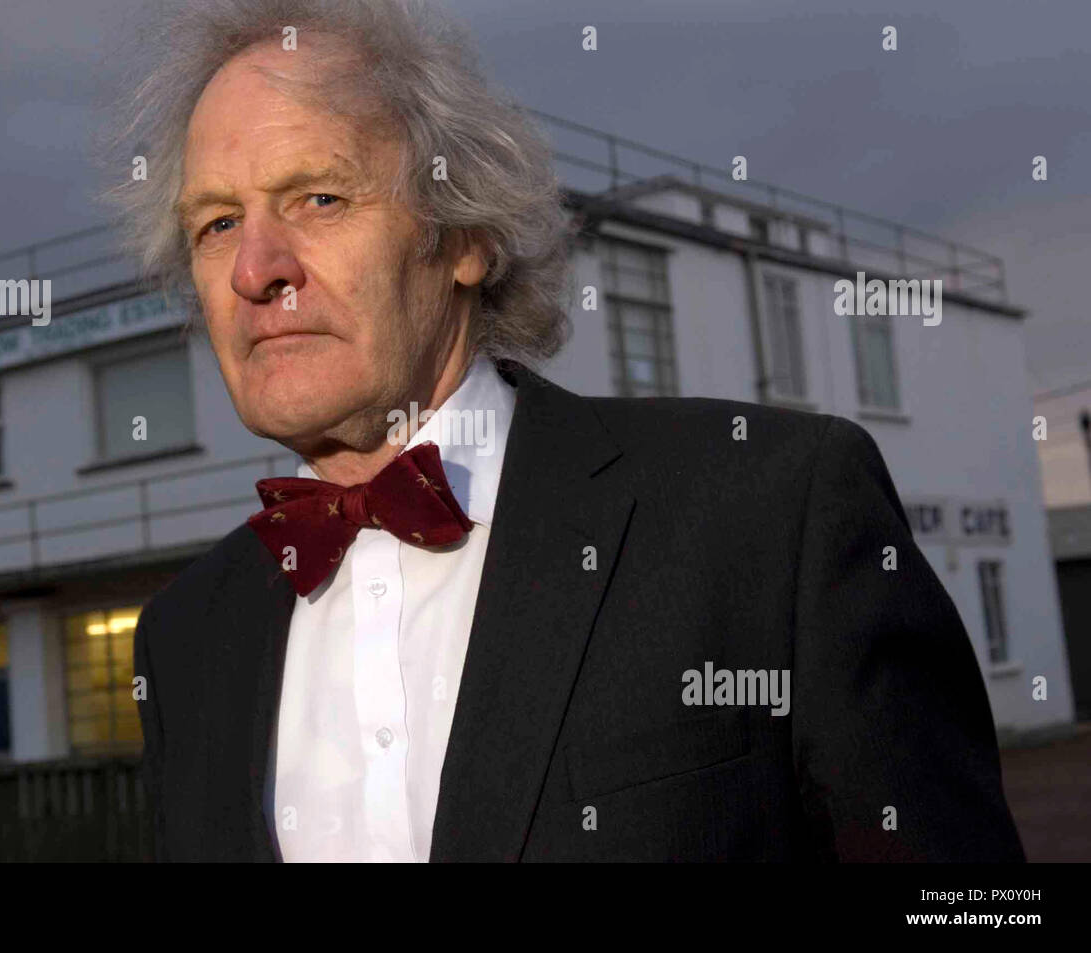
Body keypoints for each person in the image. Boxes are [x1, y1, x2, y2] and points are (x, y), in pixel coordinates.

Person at [120, 0, 1024, 862]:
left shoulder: (772, 514)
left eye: (319, 199)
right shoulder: (186, 637)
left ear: (465, 237)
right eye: (218, 222)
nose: (255, 268)